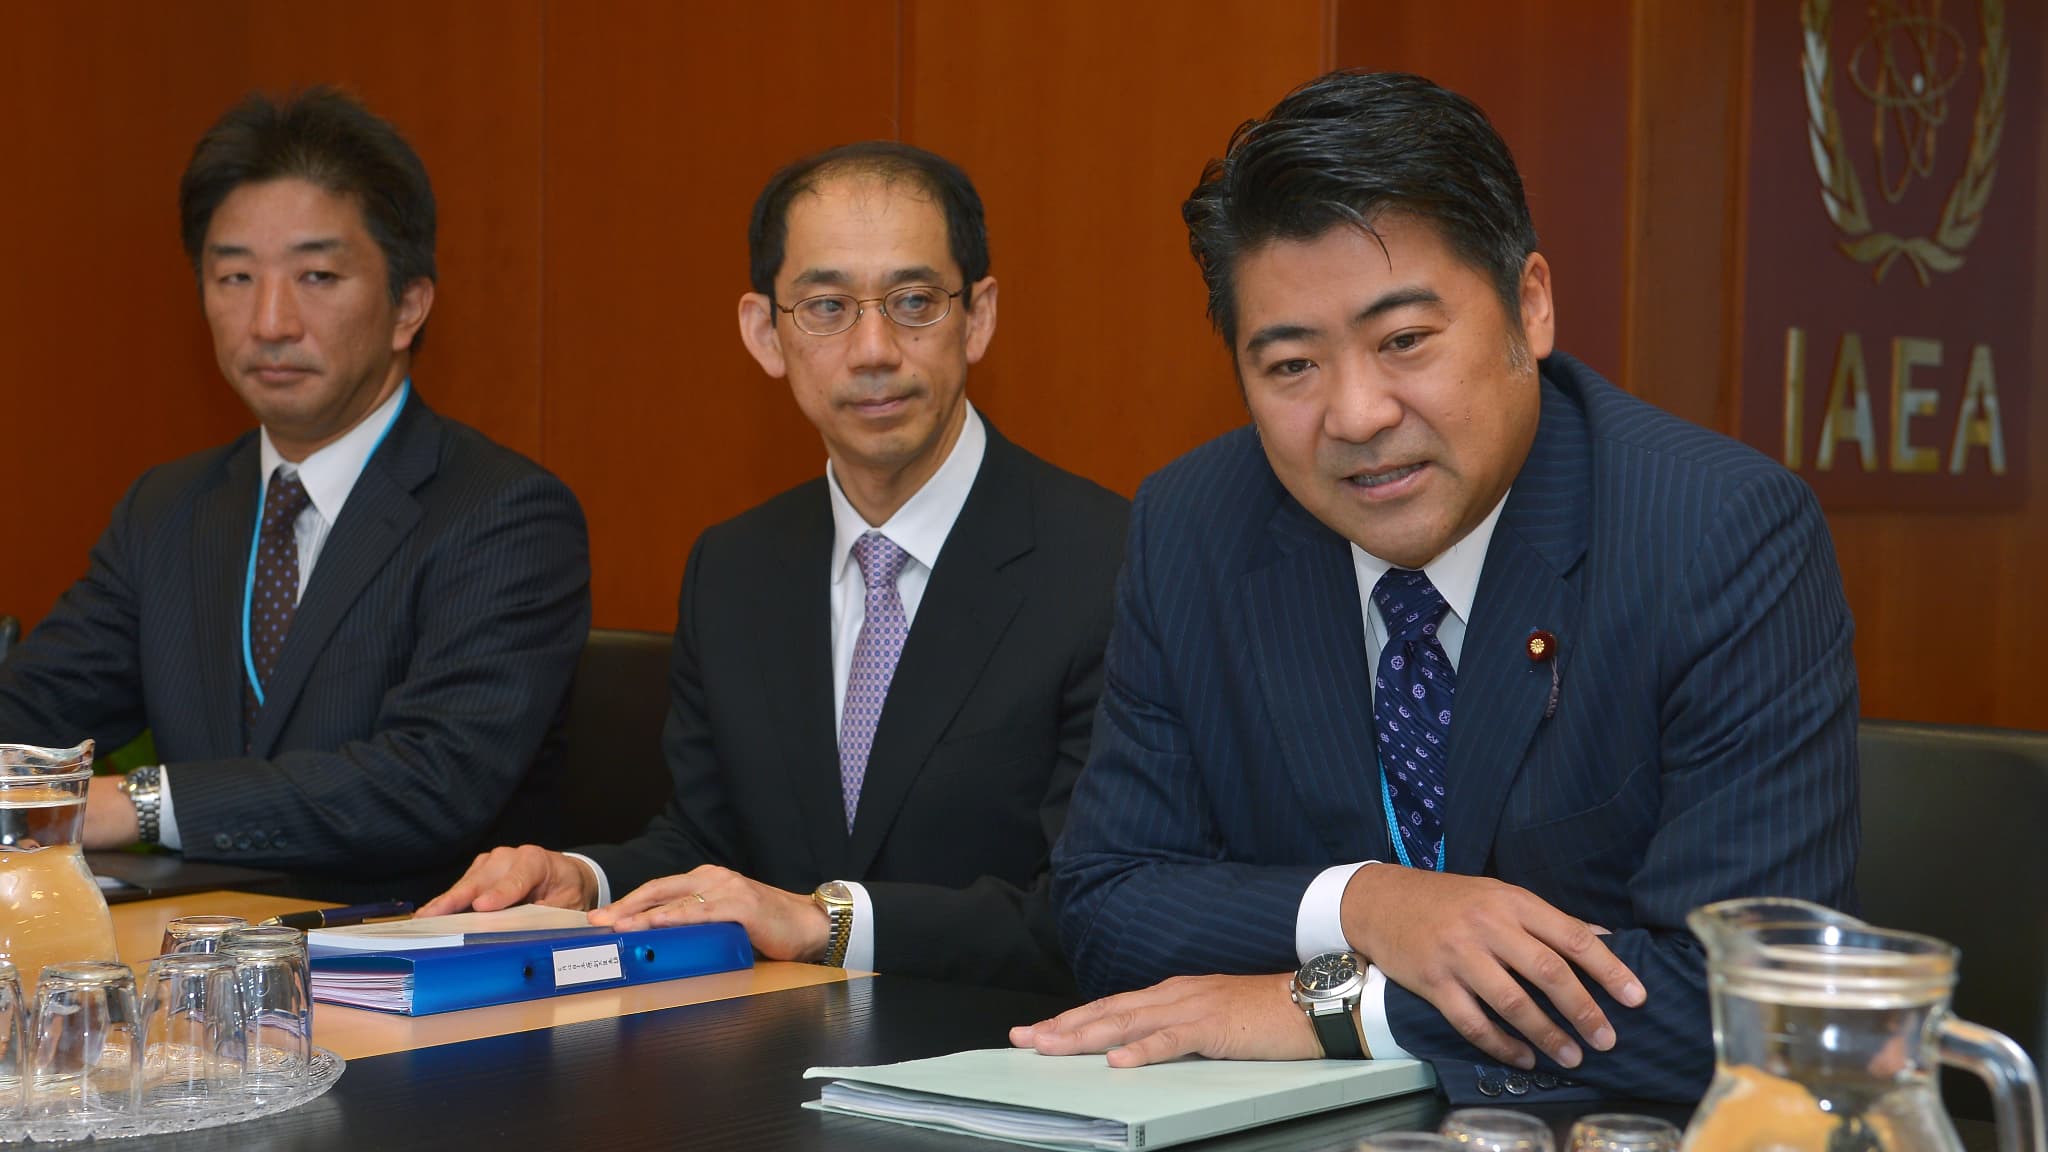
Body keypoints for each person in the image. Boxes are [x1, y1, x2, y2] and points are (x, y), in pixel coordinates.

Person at [1015, 71, 1858, 1101]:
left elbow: (1744, 1004)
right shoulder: (1194, 527)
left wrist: (1334, 1006)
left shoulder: (1714, 534)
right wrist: (1371, 907)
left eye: (1403, 341)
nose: (1356, 413)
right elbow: (1105, 905)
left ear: (1529, 307)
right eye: (1289, 366)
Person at [422, 143, 1128, 994]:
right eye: (827, 306)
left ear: (977, 317)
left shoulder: (1107, 560)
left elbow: (1096, 908)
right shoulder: (735, 567)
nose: (873, 349)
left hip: (1003, 1062)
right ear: (766, 333)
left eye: (914, 302)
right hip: (771, 1064)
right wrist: (584, 883)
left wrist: (826, 923)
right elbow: (710, 846)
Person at [0, 88, 591, 903]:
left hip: (409, 963)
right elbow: (29, 712)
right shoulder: (168, 507)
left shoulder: (503, 512)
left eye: (316, 276)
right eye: (234, 276)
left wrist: (137, 803)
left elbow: (429, 781)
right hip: (191, 964)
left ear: (407, 307)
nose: (270, 321)